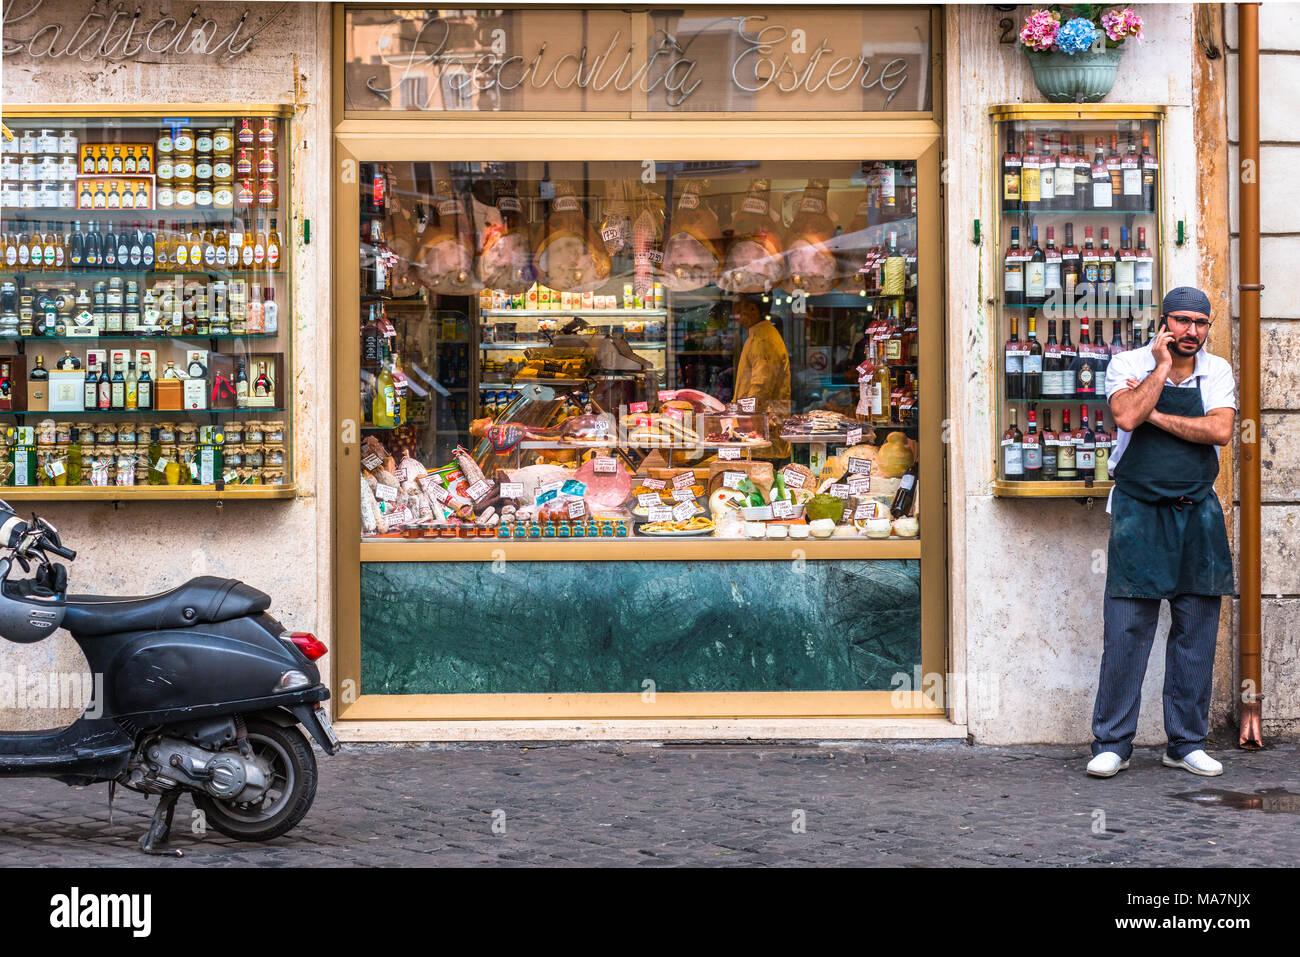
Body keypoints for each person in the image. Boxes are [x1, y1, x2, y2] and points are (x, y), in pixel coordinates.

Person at [1087, 286, 1235, 778]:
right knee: (1126, 631)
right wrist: (1158, 372)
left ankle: (1186, 742)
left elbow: (1218, 431)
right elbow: (1126, 415)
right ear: (1163, 322)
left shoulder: (1218, 371)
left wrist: (1152, 413)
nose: (1191, 332)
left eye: (1200, 323)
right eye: (1182, 321)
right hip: (1138, 513)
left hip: (1199, 514)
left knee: (1196, 631)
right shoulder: (1126, 362)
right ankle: (1112, 743)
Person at [732, 299, 791, 459]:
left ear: (752, 308)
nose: (733, 309)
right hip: (757, 437)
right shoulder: (758, 334)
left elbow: (761, 386)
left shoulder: (763, 338)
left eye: (737, 304)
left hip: (763, 442)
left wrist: (747, 424)